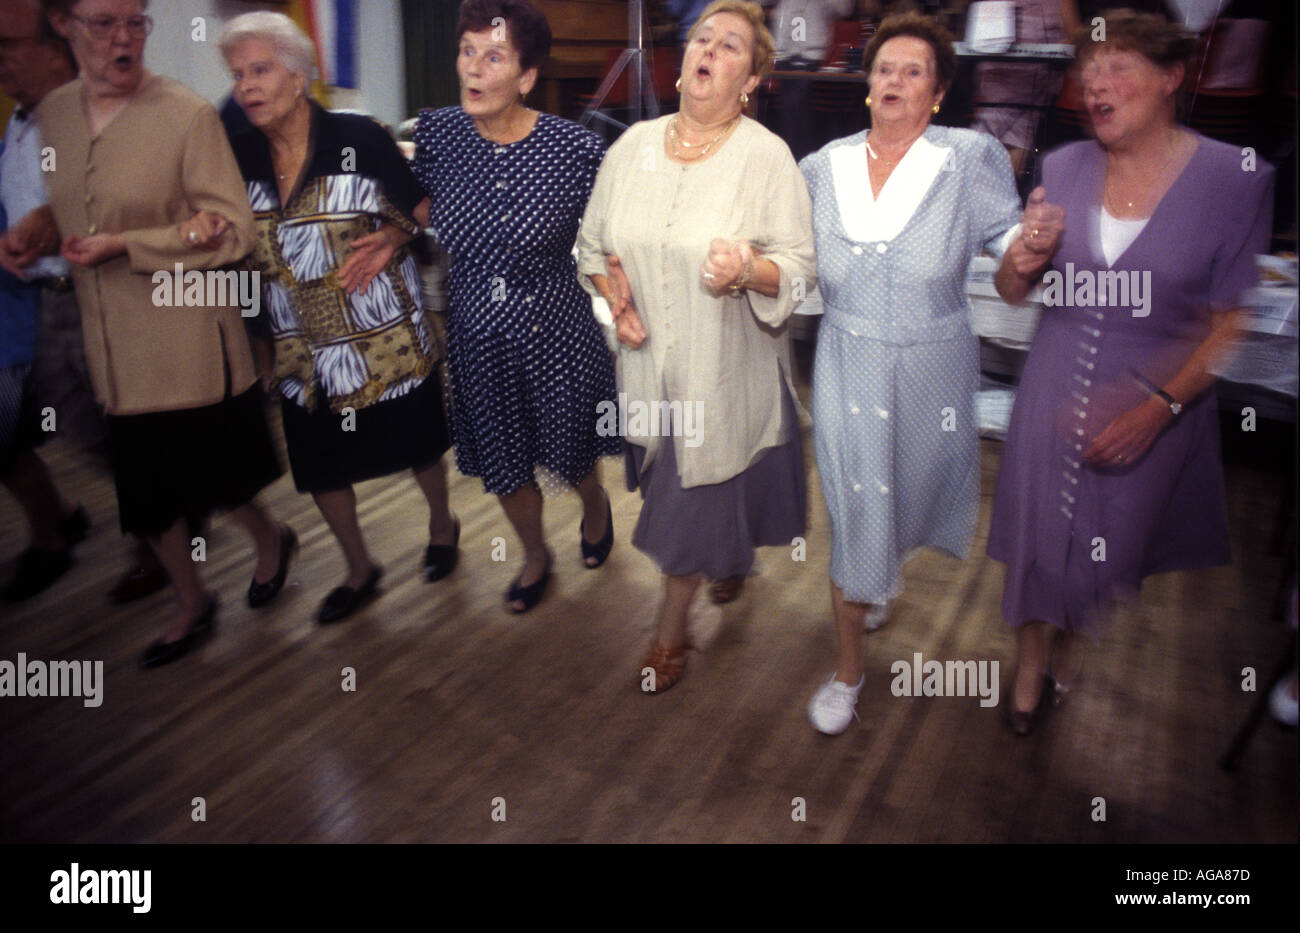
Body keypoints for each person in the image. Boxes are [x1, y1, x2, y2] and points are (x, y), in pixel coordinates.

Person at [989, 9, 1275, 734]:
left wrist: (1158, 408)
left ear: (1172, 76)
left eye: (1118, 69)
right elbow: (1013, 289)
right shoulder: (1063, 166)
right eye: (1088, 74)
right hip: (1053, 387)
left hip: (1158, 400)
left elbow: (1230, 320)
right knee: (1034, 544)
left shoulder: (1235, 178)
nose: (1097, 87)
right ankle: (1029, 669)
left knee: (1103, 554)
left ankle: (1070, 647)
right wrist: (1023, 256)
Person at [25, 0, 292, 666]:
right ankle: (191, 602)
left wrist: (130, 245)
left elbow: (234, 229)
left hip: (187, 341)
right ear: (64, 25)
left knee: (219, 483)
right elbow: (79, 199)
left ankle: (270, 538)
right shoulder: (54, 113)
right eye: (104, 23)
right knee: (148, 498)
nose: (124, 38)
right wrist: (38, 227)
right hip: (110, 346)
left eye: (135, 21)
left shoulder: (186, 115)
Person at [799, 11, 1029, 734]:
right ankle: (846, 673)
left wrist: (1034, 246)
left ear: (938, 93)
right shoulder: (821, 167)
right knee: (855, 502)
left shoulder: (967, 158)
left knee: (911, 483)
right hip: (847, 355)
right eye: (884, 69)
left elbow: (1011, 241)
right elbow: (783, 253)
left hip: (935, 359)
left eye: (914, 71)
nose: (895, 81)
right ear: (867, 84)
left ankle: (880, 572)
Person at [578, 0, 816, 692]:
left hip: (722, 372)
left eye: (731, 45)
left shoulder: (766, 158)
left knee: (689, 500)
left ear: (751, 81)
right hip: (647, 369)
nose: (709, 49)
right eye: (701, 38)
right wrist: (610, 291)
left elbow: (800, 269)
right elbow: (592, 245)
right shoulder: (631, 147)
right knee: (686, 487)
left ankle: (669, 631)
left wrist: (749, 269)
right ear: (682, 65)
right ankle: (728, 557)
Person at [220, 11, 458, 624]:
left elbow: (422, 211)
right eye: (237, 73)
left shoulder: (360, 138)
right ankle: (359, 567)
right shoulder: (238, 155)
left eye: (260, 69)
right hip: (305, 354)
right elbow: (244, 262)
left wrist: (395, 235)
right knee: (321, 468)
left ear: (298, 76)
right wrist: (260, 347)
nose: (245, 85)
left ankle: (442, 524)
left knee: (420, 447)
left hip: (385, 341)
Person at [411, 0, 619, 614]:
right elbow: (412, 198)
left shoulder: (574, 150)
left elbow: (612, 238)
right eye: (467, 51)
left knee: (572, 446)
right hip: (479, 334)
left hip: (558, 327)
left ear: (526, 77)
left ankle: (595, 505)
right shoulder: (440, 134)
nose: (473, 68)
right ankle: (534, 555)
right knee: (504, 462)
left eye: (493, 56)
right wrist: (397, 231)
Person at [0, 0, 171, 604]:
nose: (0, 60)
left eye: (9, 45)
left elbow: (137, 195)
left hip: (103, 292)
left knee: (127, 426)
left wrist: (55, 216)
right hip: (47, 298)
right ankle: (169, 516)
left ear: (56, 47)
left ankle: (163, 535)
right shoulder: (19, 124)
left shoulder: (98, 115)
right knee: (77, 421)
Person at [971, 0, 1082, 178]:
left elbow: (1075, 37)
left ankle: (992, 195)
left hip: (1033, 74)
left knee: (1015, 136)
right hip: (996, 69)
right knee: (989, 133)